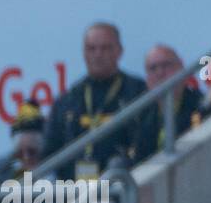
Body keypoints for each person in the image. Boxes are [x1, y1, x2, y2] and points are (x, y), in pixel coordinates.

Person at [41, 22, 150, 180]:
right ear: (84, 53)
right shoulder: (69, 98)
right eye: (91, 49)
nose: (98, 55)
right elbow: (50, 151)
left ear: (119, 52)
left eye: (105, 48)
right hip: (74, 193)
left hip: (122, 191)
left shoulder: (138, 92)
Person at [137, 44, 205, 156]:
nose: (160, 73)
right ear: (147, 78)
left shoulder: (202, 105)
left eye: (166, 65)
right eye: (153, 68)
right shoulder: (139, 114)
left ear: (181, 68)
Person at [0, 100, 45, 185]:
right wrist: (13, 154)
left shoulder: (55, 169)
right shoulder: (16, 174)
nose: (26, 157)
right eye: (20, 153)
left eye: (32, 152)